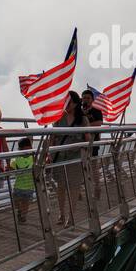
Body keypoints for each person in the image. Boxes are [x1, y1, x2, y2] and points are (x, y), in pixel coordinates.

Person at [51, 92, 86, 227]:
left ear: (76, 103)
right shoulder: (59, 118)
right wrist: (49, 153)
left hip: (75, 158)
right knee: (61, 187)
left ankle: (71, 216)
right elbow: (52, 137)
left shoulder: (82, 120)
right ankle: (61, 213)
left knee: (73, 188)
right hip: (60, 157)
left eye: (69, 102)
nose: (66, 104)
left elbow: (88, 139)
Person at [10, 137, 36, 223]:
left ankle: (23, 216)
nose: (31, 148)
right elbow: (11, 167)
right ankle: (20, 212)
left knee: (25, 203)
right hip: (19, 186)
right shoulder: (17, 159)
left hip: (28, 186)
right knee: (17, 203)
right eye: (29, 146)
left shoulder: (33, 158)